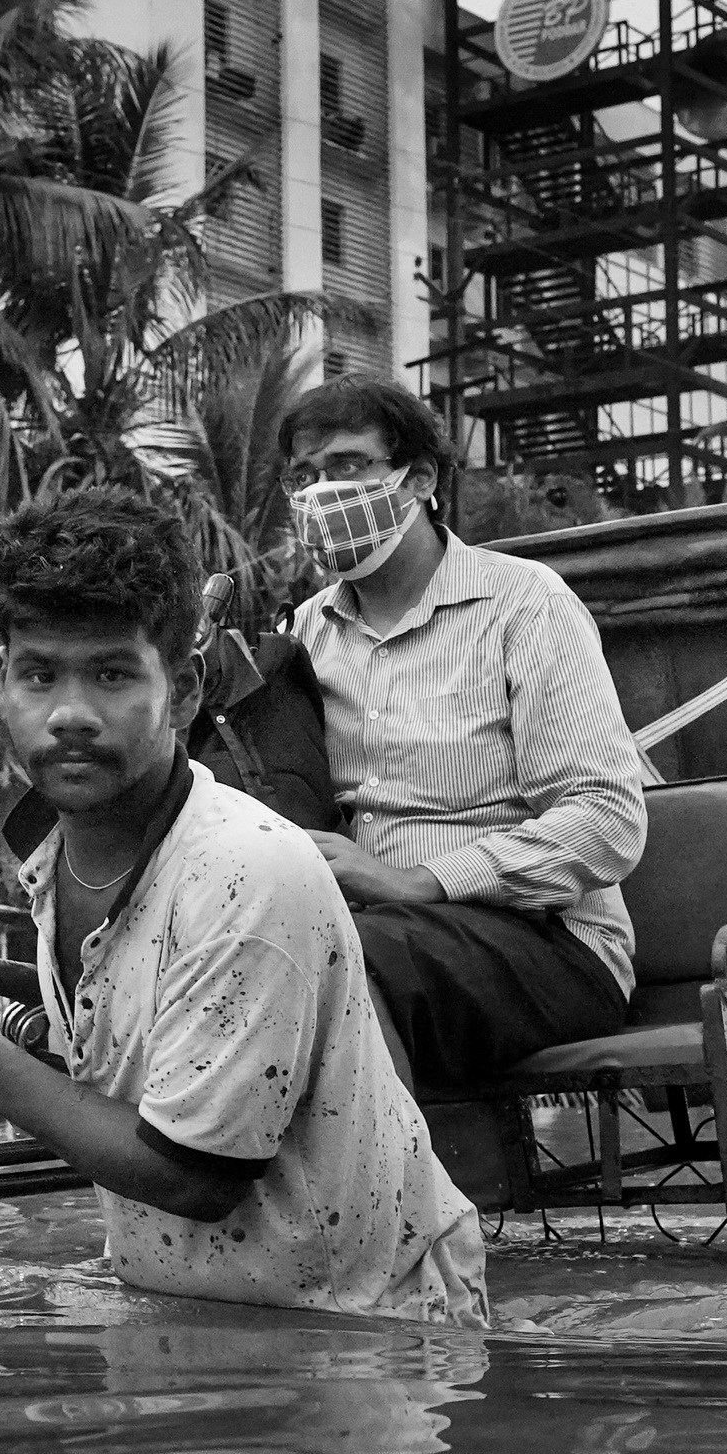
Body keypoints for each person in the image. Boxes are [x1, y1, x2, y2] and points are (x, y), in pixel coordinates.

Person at [0, 488, 484, 1326]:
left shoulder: (245, 870)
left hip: (365, 1332)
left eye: (113, 673)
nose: (71, 714)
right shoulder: (51, 853)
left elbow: (197, 1177)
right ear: (1, 684)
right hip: (195, 1316)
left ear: (183, 691)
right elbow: (126, 1031)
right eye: (39, 674)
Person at [279, 376, 644, 1093]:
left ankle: (397, 1200)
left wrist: (419, 880)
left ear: (419, 479)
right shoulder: (300, 637)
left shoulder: (524, 603)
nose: (321, 493)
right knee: (263, 955)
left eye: (348, 466)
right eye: (303, 476)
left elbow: (606, 819)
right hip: (370, 936)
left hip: (549, 944)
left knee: (341, 960)